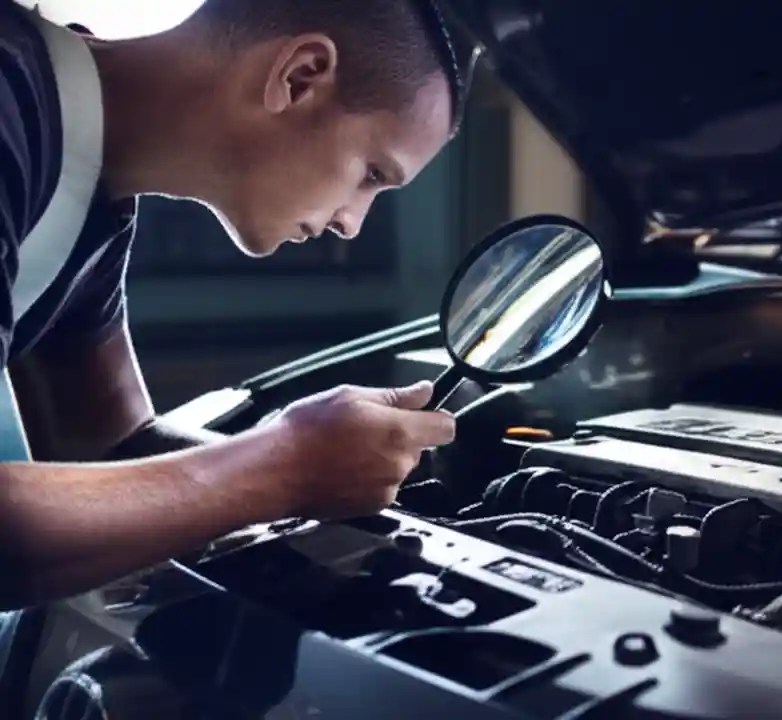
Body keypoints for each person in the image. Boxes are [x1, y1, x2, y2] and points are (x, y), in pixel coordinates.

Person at [0, 0, 464, 610]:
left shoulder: (90, 198)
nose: (353, 223)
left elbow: (112, 446)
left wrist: (325, 468)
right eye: (372, 173)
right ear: (300, 77)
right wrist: (285, 464)